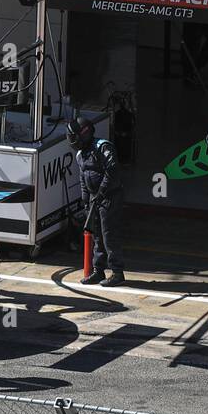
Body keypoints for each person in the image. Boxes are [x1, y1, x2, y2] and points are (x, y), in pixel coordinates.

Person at [68, 116, 125, 287]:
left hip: (110, 197)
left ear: (84, 134)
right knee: (98, 236)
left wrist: (101, 192)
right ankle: (98, 270)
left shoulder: (103, 147)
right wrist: (86, 201)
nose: (72, 141)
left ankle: (117, 272)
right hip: (95, 199)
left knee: (109, 235)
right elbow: (83, 178)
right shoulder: (80, 155)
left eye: (74, 136)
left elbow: (112, 170)